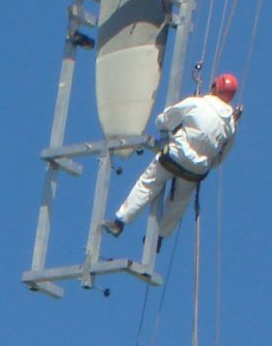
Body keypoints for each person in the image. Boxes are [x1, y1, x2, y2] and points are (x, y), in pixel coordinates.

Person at [103, 73, 241, 244]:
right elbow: (220, 158)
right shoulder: (231, 125)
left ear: (215, 87)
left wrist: (162, 124)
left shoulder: (197, 103)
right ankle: (158, 238)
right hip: (196, 170)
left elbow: (166, 119)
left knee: (148, 184)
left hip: (174, 156)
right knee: (179, 203)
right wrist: (205, 161)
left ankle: (119, 222)